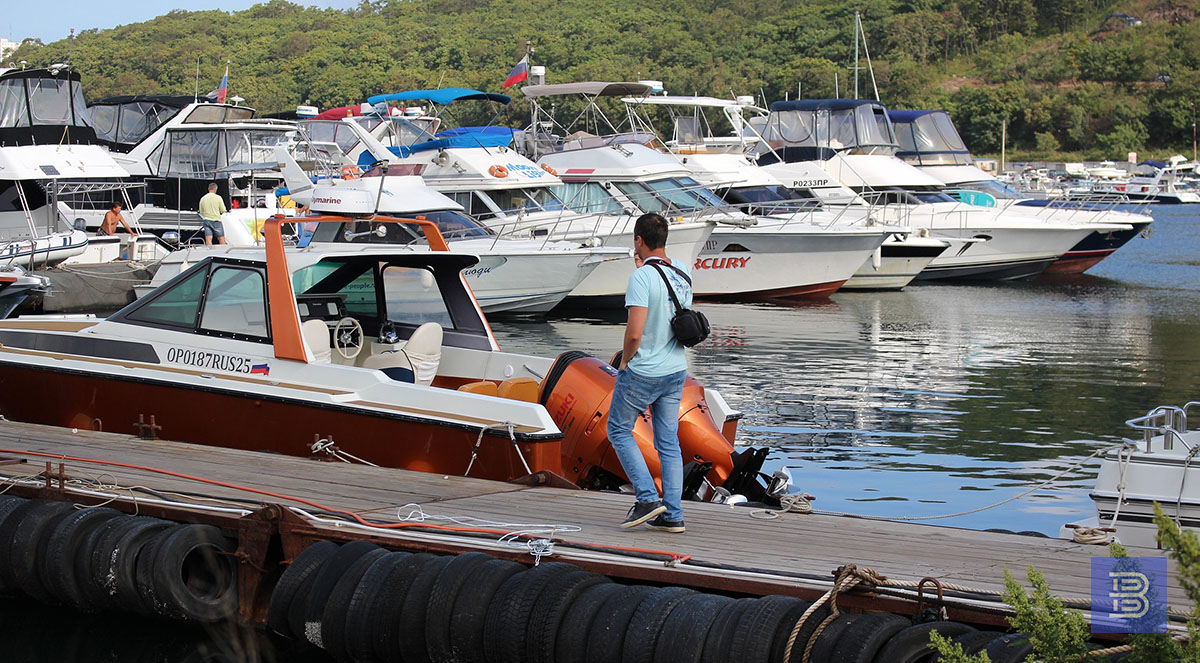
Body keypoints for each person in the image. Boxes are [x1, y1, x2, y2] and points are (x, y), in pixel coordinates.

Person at [608, 212, 692, 533]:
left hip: (644, 371)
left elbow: (634, 333)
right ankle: (673, 515)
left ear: (639, 241)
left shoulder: (641, 278)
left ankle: (646, 497)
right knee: (668, 442)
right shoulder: (682, 272)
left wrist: (625, 361)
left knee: (618, 430)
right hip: (675, 370)